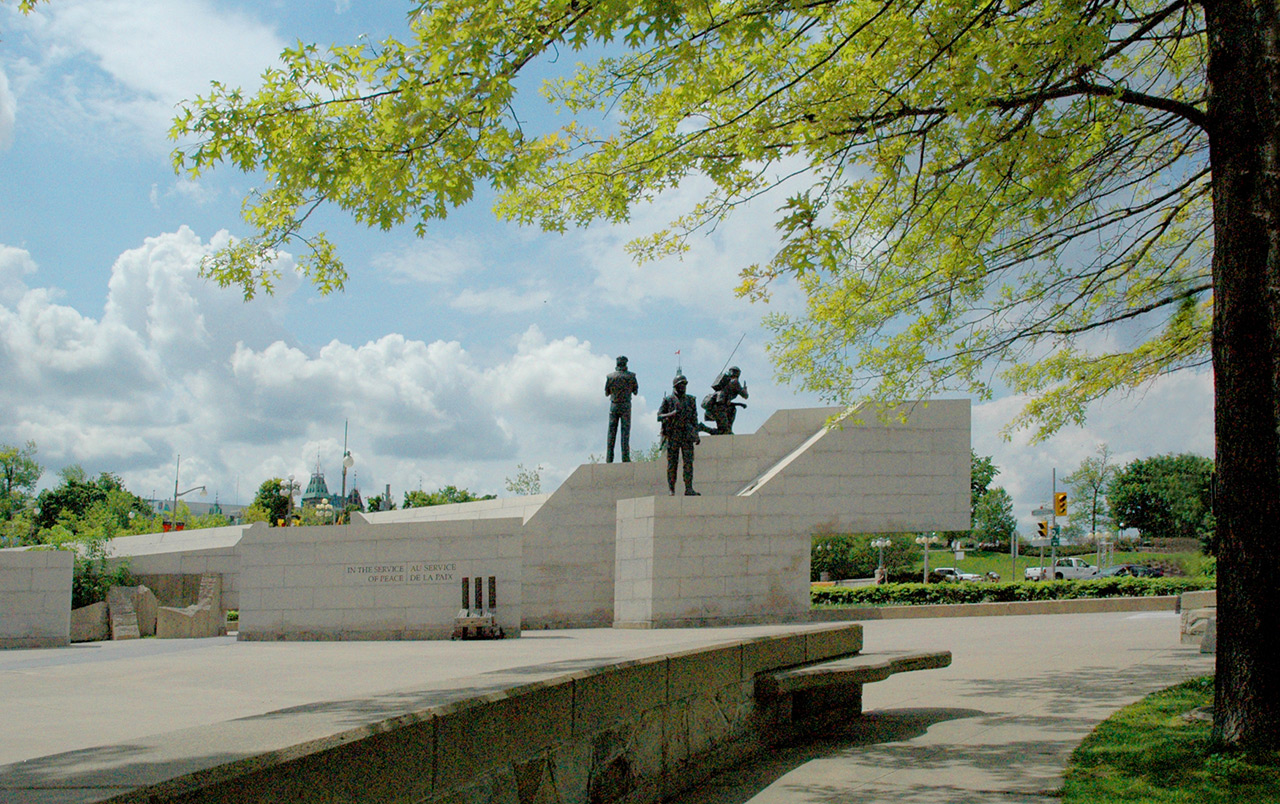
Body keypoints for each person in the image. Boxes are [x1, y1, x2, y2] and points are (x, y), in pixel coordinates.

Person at [657, 372, 700, 495]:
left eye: (685, 384)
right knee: (672, 464)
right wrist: (671, 414)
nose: (684, 386)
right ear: (675, 386)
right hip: (673, 435)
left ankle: (689, 488)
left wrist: (695, 434)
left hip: (686, 435)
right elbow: (659, 416)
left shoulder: (691, 400)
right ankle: (671, 489)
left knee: (688, 463)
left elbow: (694, 418)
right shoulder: (668, 400)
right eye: (682, 384)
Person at [604, 355, 639, 462]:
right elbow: (636, 391)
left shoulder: (610, 377)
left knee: (611, 432)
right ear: (626, 364)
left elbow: (606, 393)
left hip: (614, 405)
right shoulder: (631, 376)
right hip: (626, 406)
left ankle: (609, 458)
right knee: (625, 433)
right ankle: (625, 457)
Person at [703, 366, 748, 435]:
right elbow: (745, 396)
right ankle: (703, 427)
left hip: (717, 408)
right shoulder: (735, 382)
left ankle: (729, 429)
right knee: (724, 432)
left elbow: (726, 401)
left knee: (732, 410)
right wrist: (745, 389)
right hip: (719, 409)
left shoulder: (725, 383)